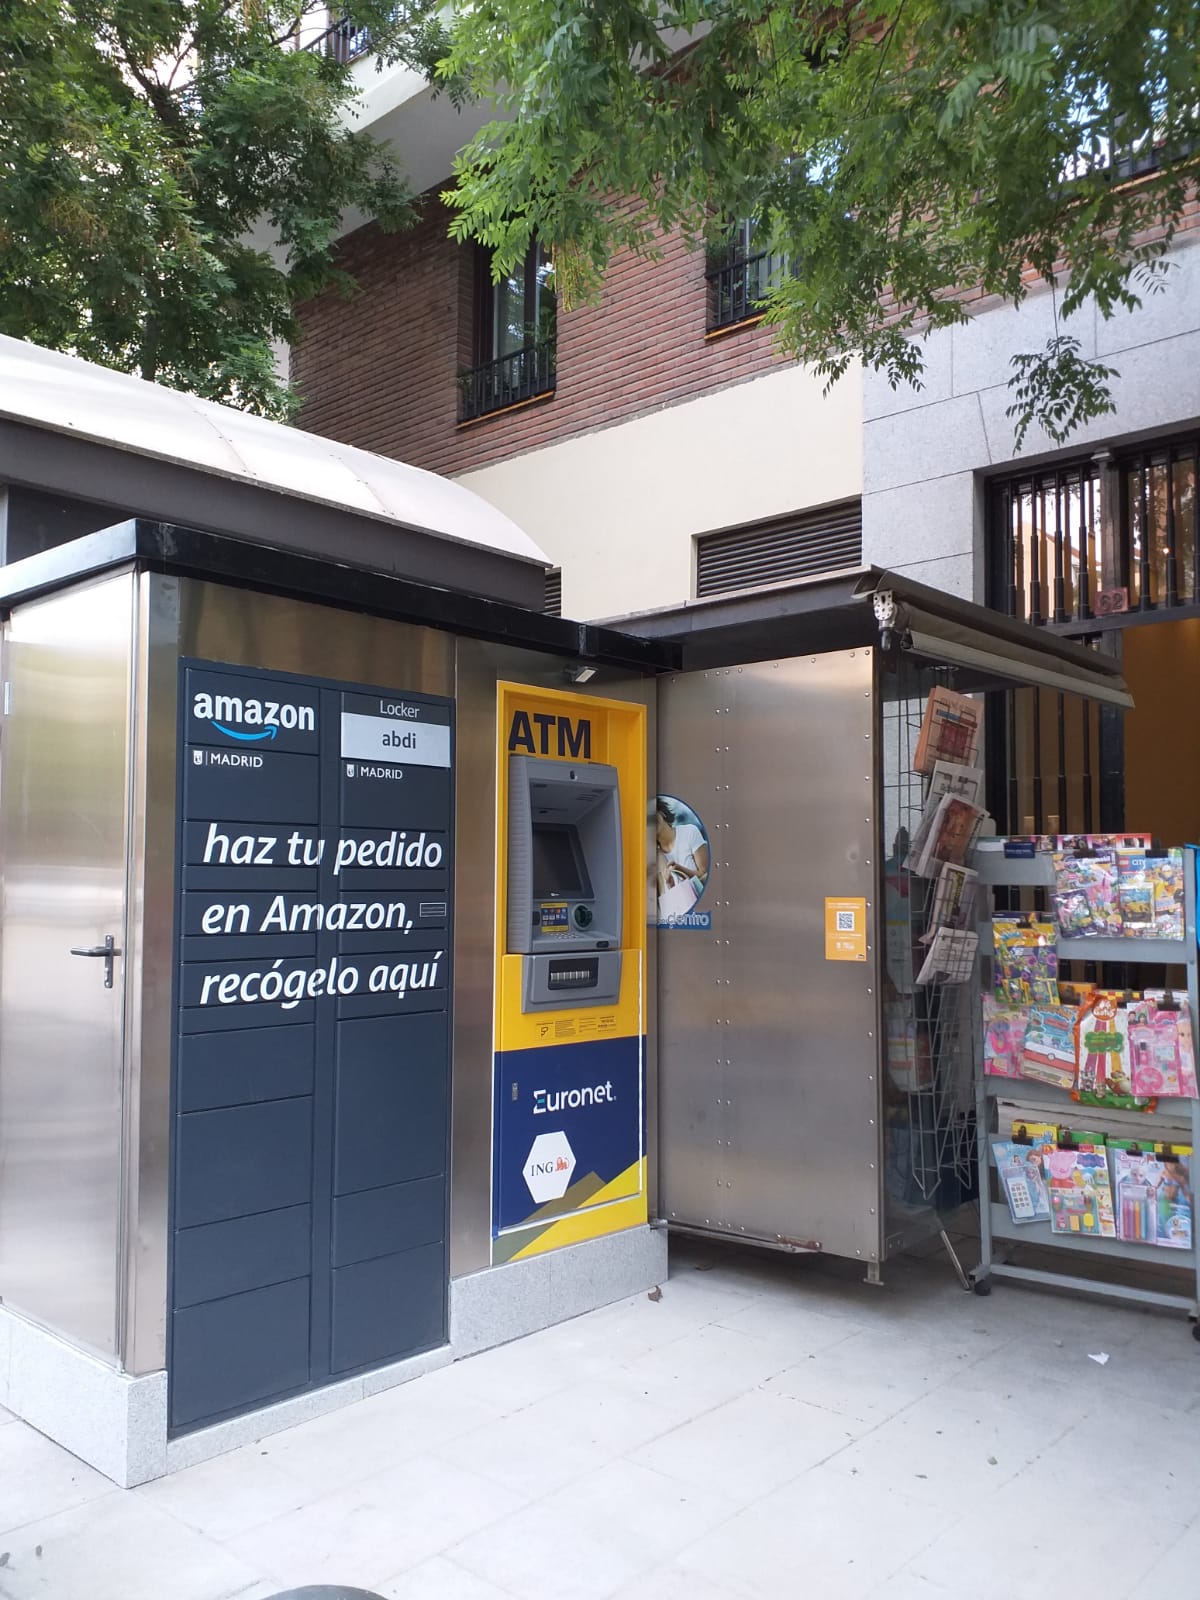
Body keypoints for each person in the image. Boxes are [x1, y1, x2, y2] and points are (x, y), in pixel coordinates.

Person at [655, 799, 709, 903]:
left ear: (661, 812)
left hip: (699, 911)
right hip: (676, 916)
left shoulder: (689, 832)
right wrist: (670, 885)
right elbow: (663, 898)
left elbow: (706, 876)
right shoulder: (653, 855)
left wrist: (680, 870)